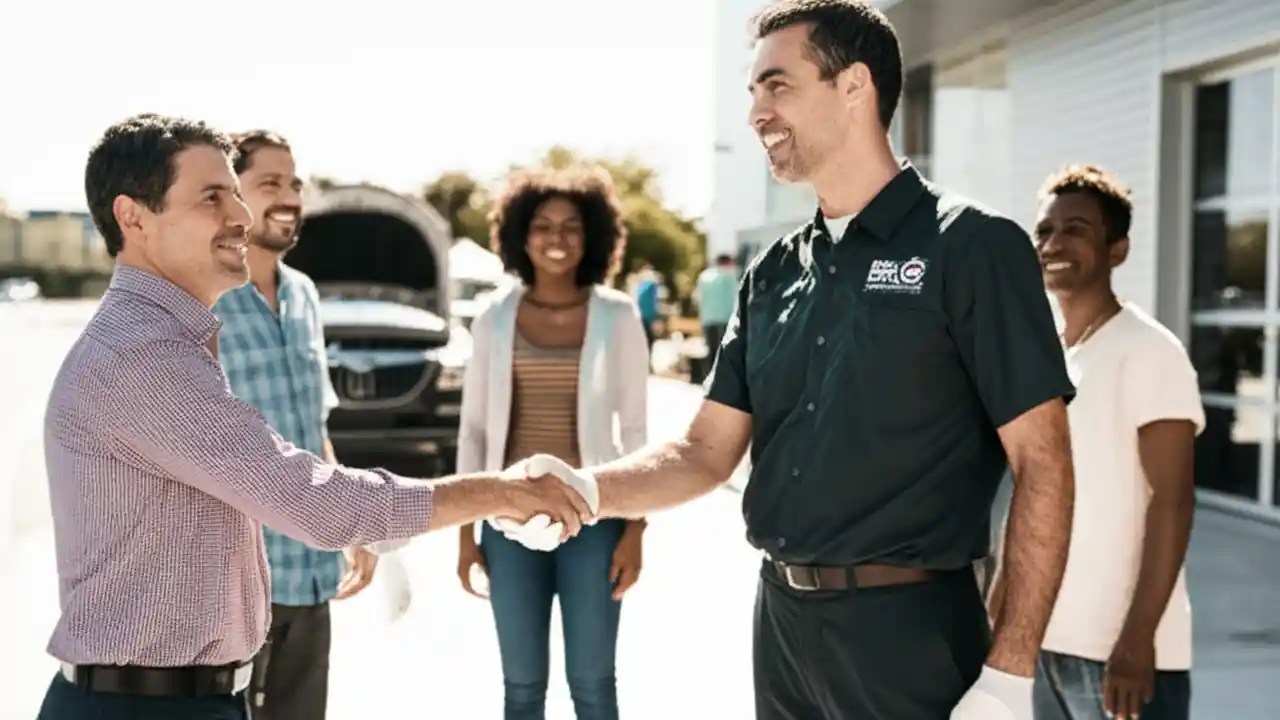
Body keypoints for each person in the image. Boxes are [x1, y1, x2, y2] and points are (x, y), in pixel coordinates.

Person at [513, 2, 1077, 718]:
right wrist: (585, 492)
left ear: (854, 87)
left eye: (777, 85)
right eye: (752, 91)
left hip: (909, 636)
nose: (756, 112)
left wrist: (1008, 674)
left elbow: (1045, 463)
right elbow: (704, 452)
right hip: (780, 627)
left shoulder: (972, 248)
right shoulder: (773, 273)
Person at [37, 113, 593, 720]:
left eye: (234, 193)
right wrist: (500, 492)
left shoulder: (167, 337)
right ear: (133, 217)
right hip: (143, 707)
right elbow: (314, 502)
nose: (241, 216)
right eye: (212, 197)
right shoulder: (146, 356)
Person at [1000, 165, 1202, 720]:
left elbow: (1174, 503)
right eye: (1044, 231)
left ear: (1118, 250)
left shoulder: (1149, 351)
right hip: (1046, 642)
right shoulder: (1054, 355)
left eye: (1076, 230)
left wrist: (1138, 641)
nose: (1054, 243)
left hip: (1121, 657)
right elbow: (1030, 493)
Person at [455, 166, 650, 720]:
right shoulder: (494, 317)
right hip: (507, 522)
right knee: (521, 689)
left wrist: (636, 529)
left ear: (593, 237)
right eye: (543, 225)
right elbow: (472, 430)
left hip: (594, 520)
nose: (556, 238)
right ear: (520, 233)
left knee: (593, 684)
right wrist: (466, 536)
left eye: (571, 226)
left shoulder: (617, 315)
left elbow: (636, 433)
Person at [211, 129, 376, 720]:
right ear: (231, 197)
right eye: (270, 183)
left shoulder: (305, 295)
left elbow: (315, 429)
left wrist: (350, 522)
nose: (289, 196)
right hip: (237, 585)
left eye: (295, 183)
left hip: (311, 576)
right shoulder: (202, 300)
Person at [694, 253, 738, 355]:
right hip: (725, 320)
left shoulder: (703, 276)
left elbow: (698, 298)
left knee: (711, 352)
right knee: (726, 353)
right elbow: (736, 296)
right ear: (727, 263)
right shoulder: (729, 276)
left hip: (707, 320)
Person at [632, 263, 660, 348]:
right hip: (648, 317)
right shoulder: (652, 285)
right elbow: (654, 302)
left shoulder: (639, 285)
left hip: (639, 316)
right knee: (649, 341)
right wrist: (656, 317)